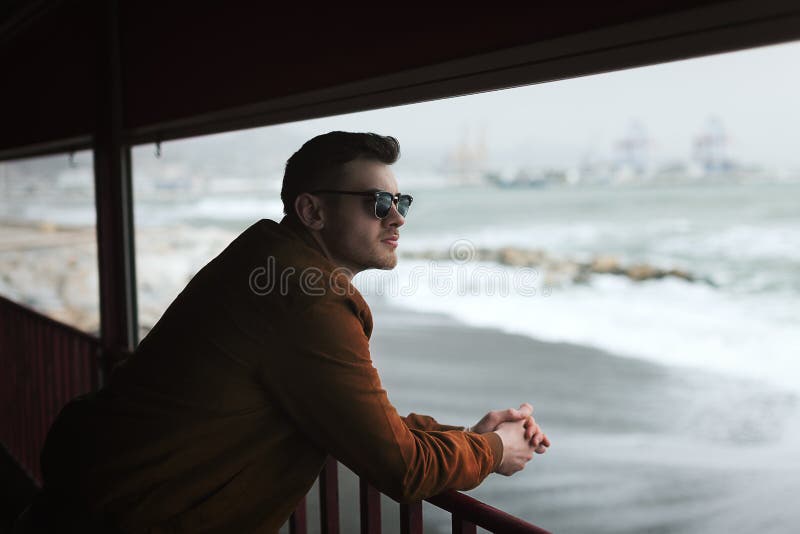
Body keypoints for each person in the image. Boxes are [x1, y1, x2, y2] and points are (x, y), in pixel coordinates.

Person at [24, 131, 550, 533]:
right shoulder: (304, 295)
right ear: (312, 210)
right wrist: (492, 453)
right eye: (378, 203)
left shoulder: (268, 260)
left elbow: (351, 415)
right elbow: (401, 467)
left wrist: (466, 438)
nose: (397, 220)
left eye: (402, 202)